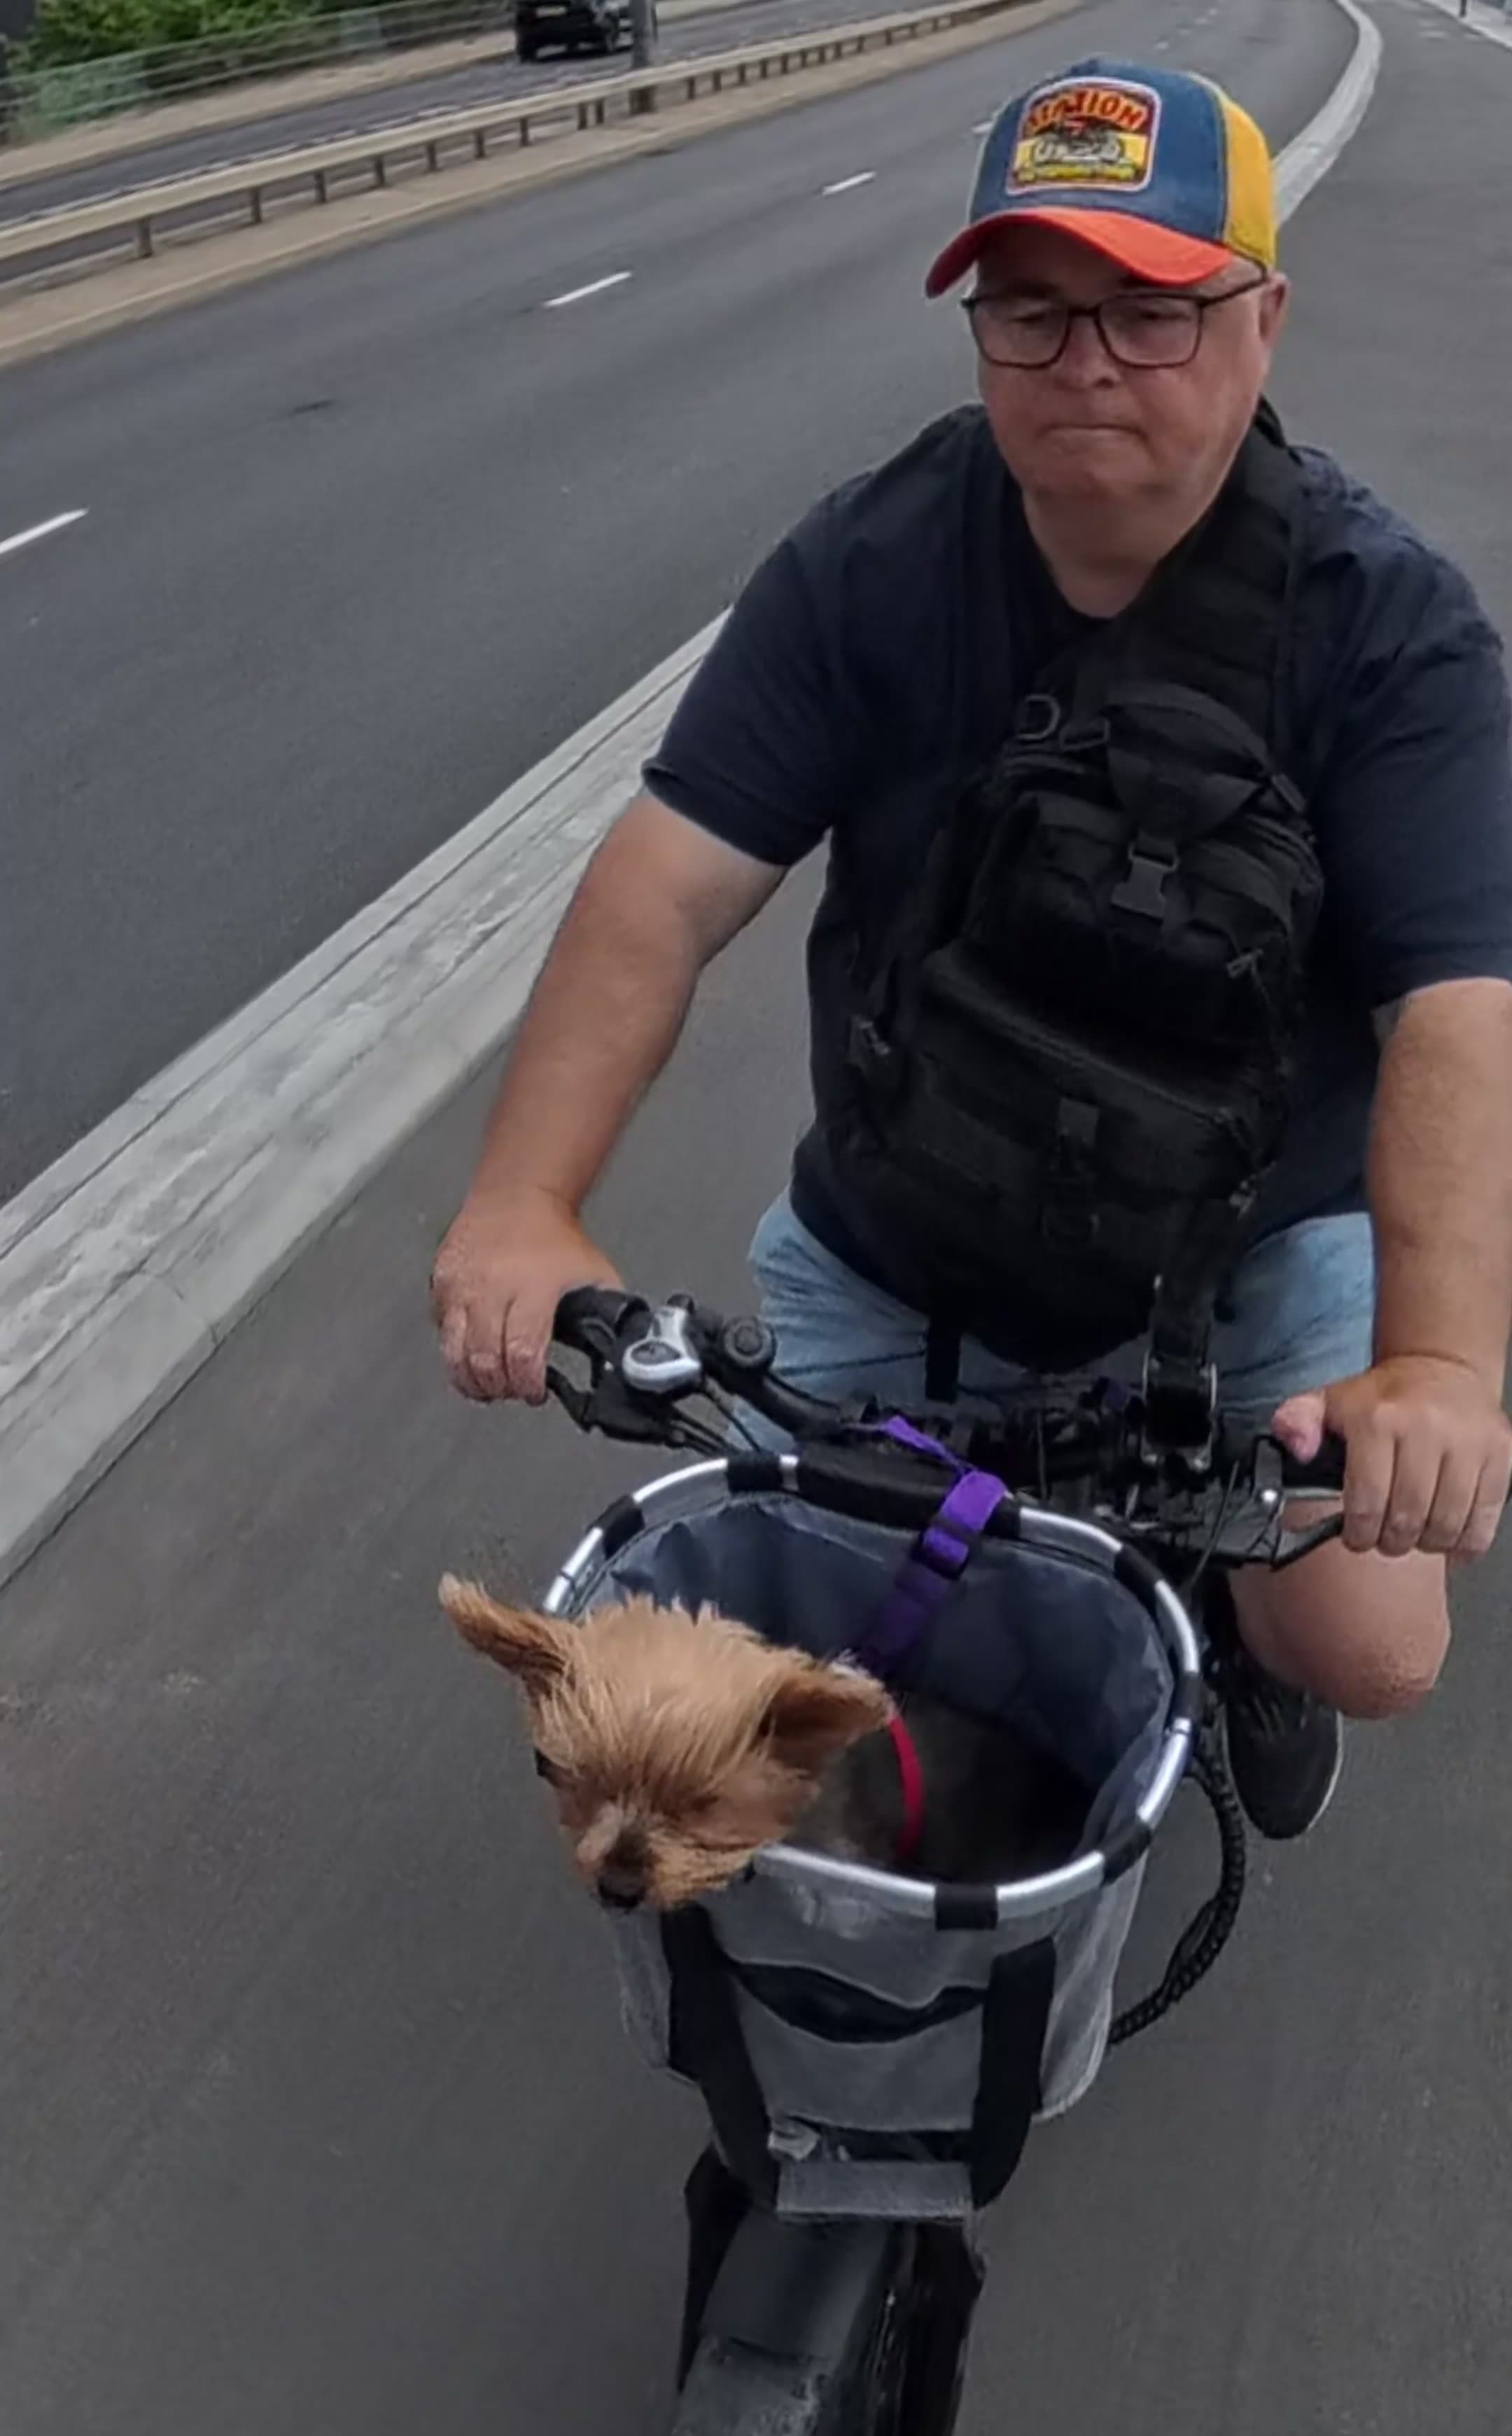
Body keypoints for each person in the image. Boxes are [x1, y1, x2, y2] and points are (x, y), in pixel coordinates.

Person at [432, 57, 1512, 1842]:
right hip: (916, 1226)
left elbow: (1459, 1014)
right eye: (1033, 312)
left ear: (1265, 318)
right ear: (980, 332)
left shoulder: (1386, 629)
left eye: (1153, 310)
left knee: (1371, 1640)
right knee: (807, 1662)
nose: (1087, 359)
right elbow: (667, 883)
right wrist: (524, 1203)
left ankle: (1232, 1646)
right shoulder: (869, 561)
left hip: (1249, 1238)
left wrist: (1446, 1372)